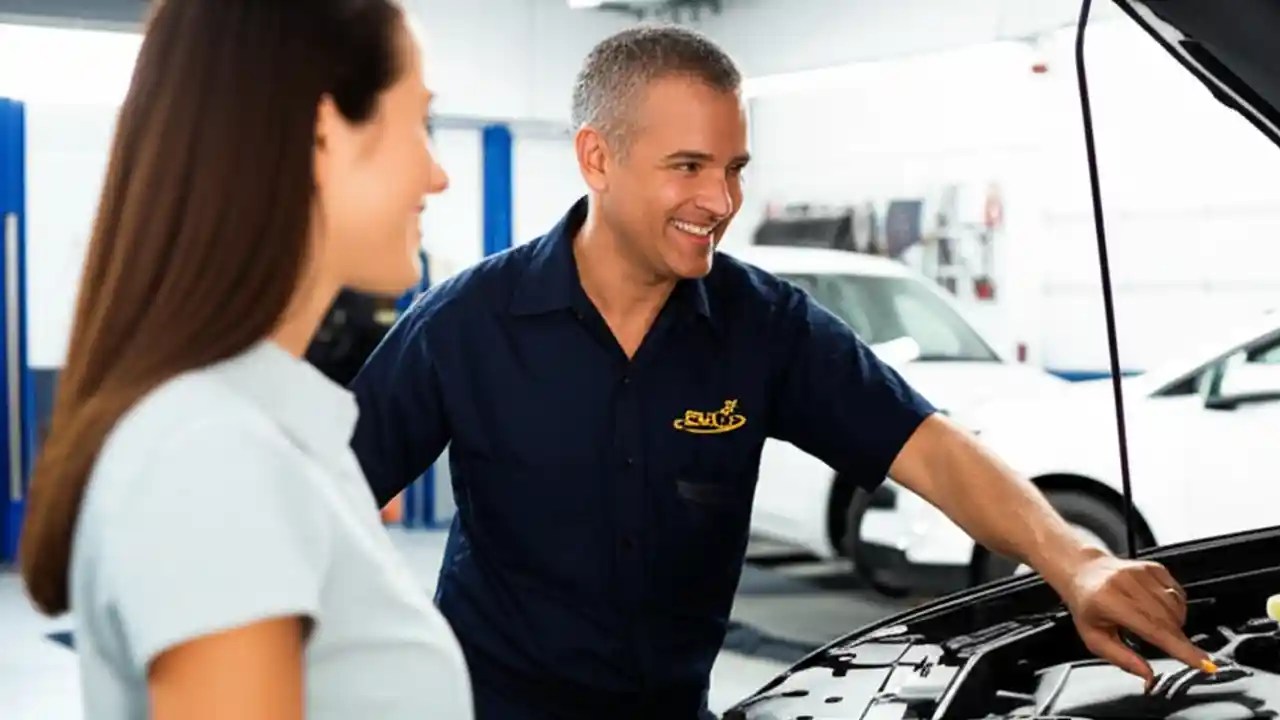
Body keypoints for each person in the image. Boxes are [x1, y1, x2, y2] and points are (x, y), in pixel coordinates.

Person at [349, 24, 1210, 719]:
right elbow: (333, 499)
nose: (720, 202)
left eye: (734, 170)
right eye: (687, 166)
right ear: (597, 158)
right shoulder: (467, 324)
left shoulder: (764, 328)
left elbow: (932, 448)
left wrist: (1077, 559)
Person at [17, 1, 472, 718]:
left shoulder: (260, 432)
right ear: (324, 132)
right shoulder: (212, 453)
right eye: (420, 122)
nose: (436, 174)